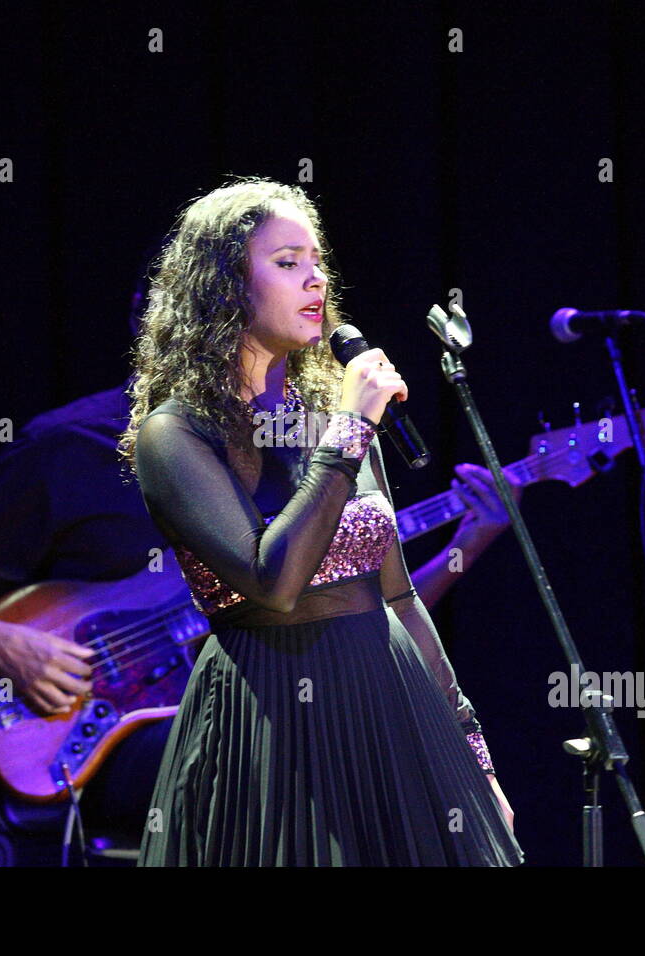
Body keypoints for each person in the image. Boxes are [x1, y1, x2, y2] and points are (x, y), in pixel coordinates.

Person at [119, 176, 524, 865]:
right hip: (270, 724)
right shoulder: (176, 435)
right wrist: (350, 428)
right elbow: (273, 580)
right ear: (222, 286)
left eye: (317, 263)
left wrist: (472, 753)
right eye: (287, 263)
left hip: (390, 709)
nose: (315, 280)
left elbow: (398, 597)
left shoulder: (328, 422)